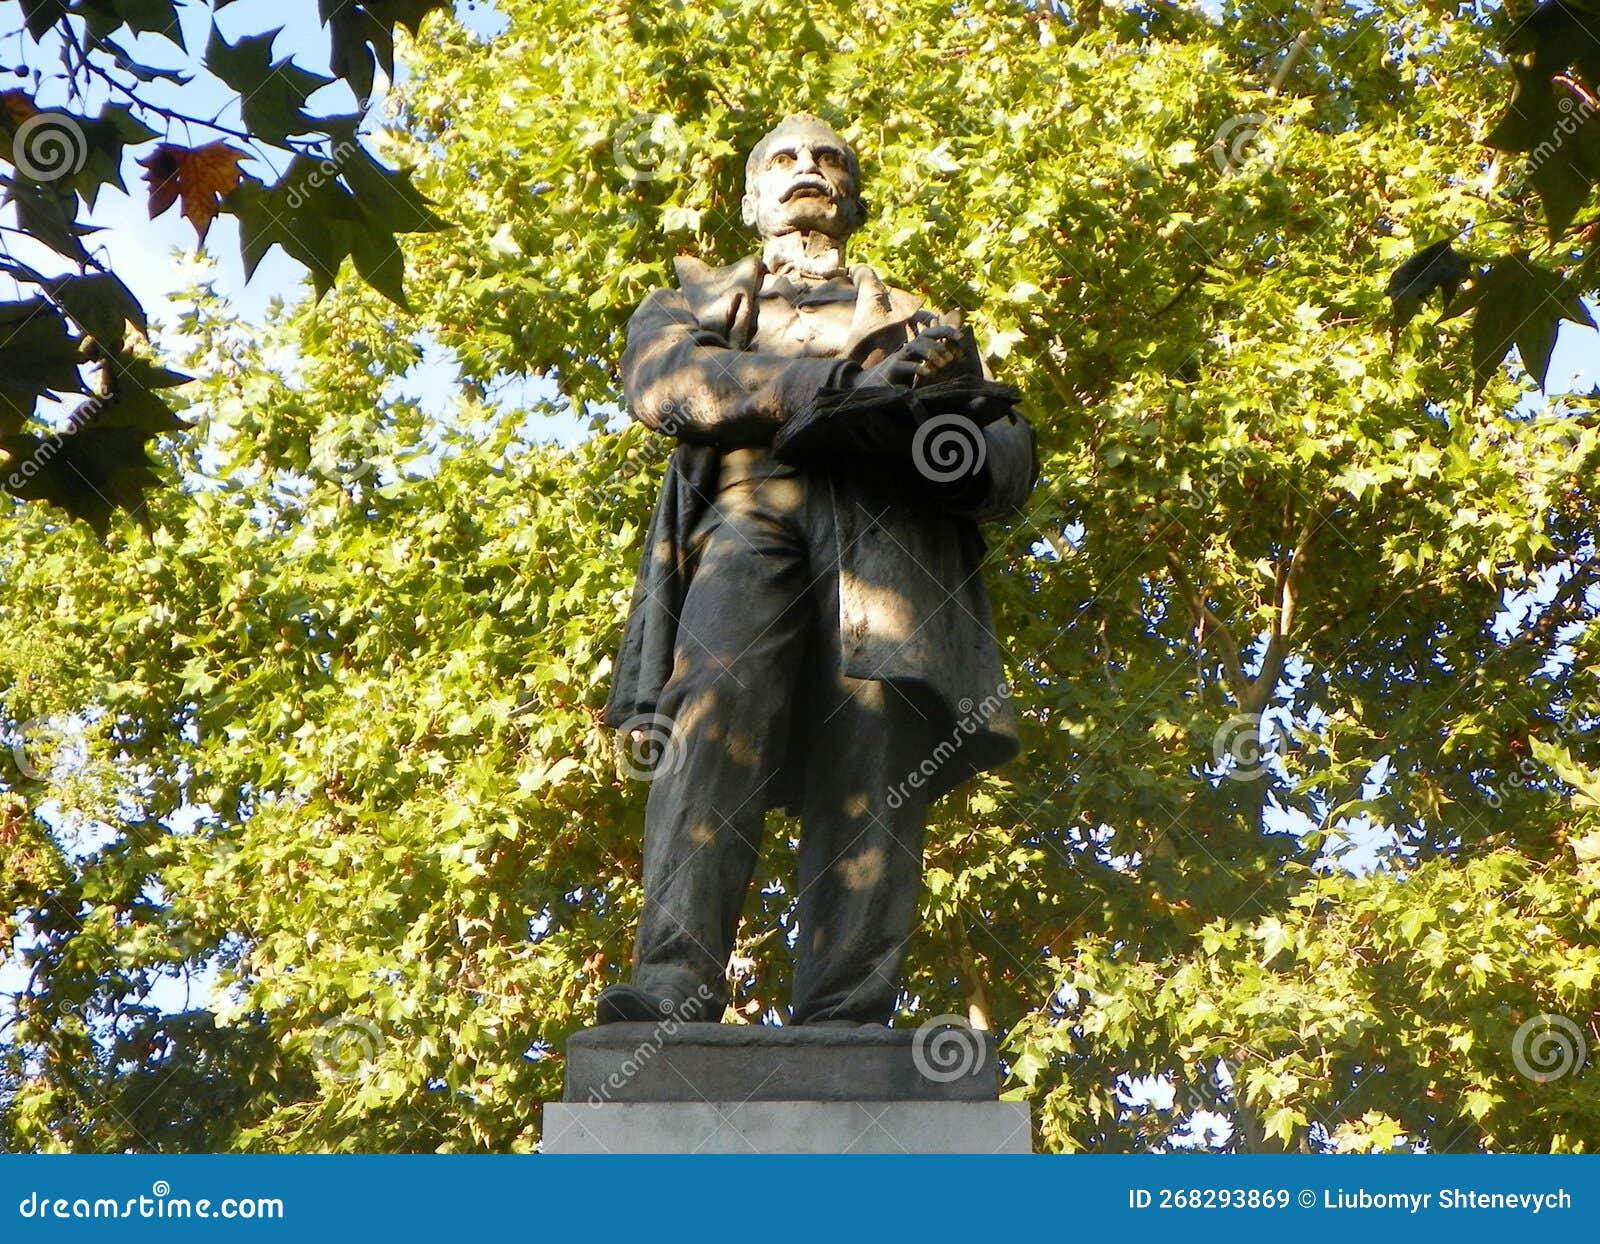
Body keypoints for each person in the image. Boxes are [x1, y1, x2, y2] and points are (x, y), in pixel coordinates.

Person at [599, 113, 1037, 1027]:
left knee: (874, 764)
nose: (810, 169)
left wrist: (935, 424)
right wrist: (836, 391)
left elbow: (1002, 466)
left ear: (853, 196)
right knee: (708, 730)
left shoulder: (926, 323)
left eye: (829, 158)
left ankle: (848, 1010)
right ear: (753, 200)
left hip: (885, 540)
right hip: (746, 518)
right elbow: (667, 385)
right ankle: (674, 979)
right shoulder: (690, 300)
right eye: (786, 161)